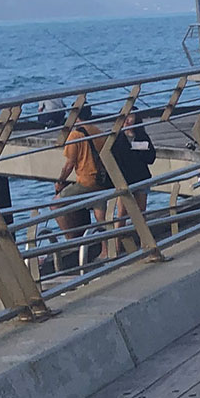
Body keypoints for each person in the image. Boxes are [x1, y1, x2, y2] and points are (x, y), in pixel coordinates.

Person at [48, 104, 106, 274]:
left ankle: (73, 242)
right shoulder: (97, 131)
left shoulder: (74, 135)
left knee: (55, 205)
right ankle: (106, 249)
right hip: (102, 180)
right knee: (101, 217)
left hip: (86, 181)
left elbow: (69, 165)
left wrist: (60, 182)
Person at [108, 117, 158, 255]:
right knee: (121, 214)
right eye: (125, 117)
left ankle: (145, 243)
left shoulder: (141, 135)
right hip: (124, 180)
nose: (128, 121)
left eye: (131, 117)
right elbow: (111, 156)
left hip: (140, 177)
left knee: (141, 213)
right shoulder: (117, 138)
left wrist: (139, 148)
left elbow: (151, 157)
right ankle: (116, 247)